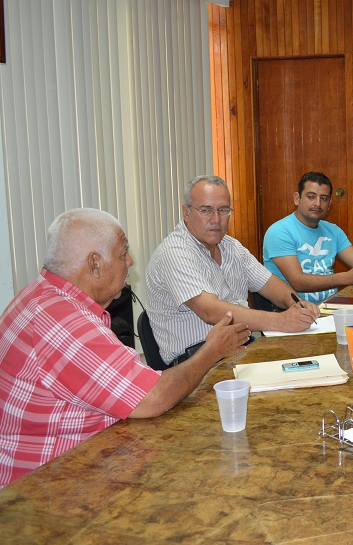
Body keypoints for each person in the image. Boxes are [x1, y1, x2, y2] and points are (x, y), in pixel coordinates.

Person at [0, 209, 251, 488]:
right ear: (95, 263)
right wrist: (212, 350)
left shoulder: (40, 295)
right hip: (49, 486)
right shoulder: (63, 321)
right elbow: (152, 398)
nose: (130, 261)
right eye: (123, 254)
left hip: (71, 466)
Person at [146, 175, 319, 366]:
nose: (216, 219)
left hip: (239, 350)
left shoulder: (231, 246)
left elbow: (269, 284)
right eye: (206, 210)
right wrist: (281, 321)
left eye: (223, 210)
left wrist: (297, 303)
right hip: (196, 362)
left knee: (308, 364)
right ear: (186, 213)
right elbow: (210, 311)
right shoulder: (175, 252)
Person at [263, 172, 353, 304]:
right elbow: (298, 282)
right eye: (311, 197)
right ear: (297, 198)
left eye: (324, 198)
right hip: (294, 311)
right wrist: (346, 277)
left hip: (332, 306)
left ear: (330, 203)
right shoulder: (279, 231)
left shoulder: (333, 230)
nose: (317, 203)